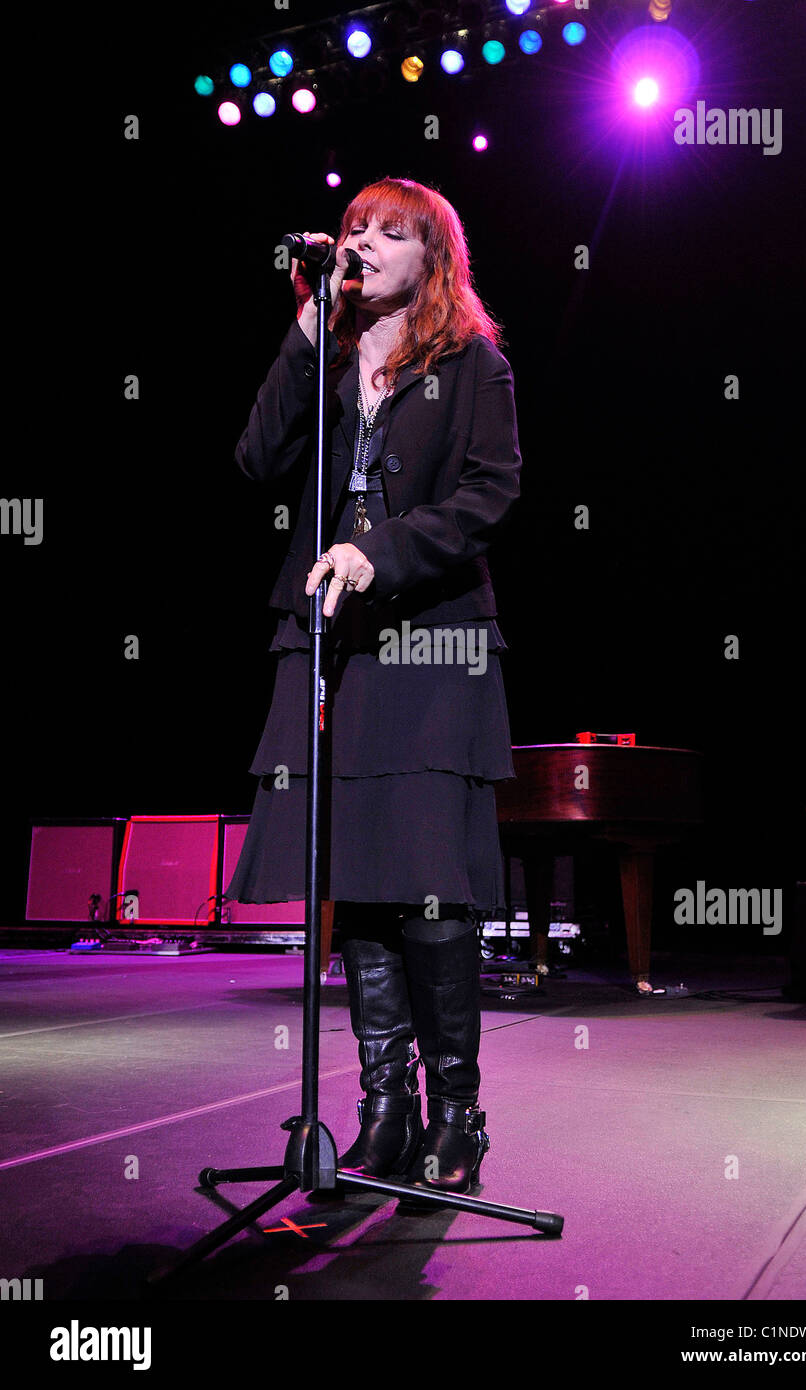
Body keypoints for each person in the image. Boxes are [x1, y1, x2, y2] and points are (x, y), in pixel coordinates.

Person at [226, 177, 522, 1197]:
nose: (362, 244)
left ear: (432, 258)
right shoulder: (325, 357)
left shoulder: (471, 363)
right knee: (357, 884)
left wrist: (376, 552)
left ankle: (458, 1114)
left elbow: (490, 494)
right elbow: (256, 454)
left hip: (431, 641)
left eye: (388, 233)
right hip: (332, 644)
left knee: (429, 886)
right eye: (353, 229)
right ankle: (383, 1105)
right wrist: (310, 324)